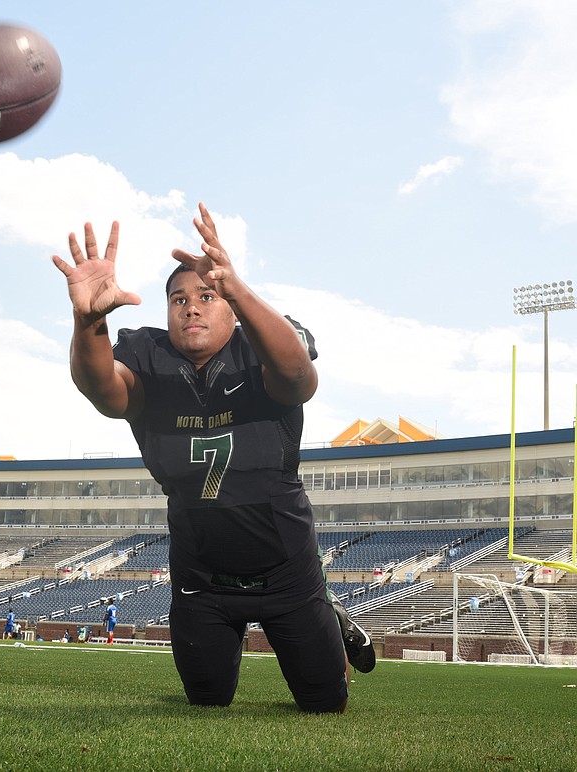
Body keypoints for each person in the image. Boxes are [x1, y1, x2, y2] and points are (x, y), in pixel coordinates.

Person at [53, 202, 374, 713]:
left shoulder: (261, 344)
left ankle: (329, 619)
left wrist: (238, 288)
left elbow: (298, 379)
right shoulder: (148, 357)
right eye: (178, 299)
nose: (192, 307)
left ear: (232, 308)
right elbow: (104, 391)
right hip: (201, 573)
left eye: (207, 295)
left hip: (285, 566)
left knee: (324, 703)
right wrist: (88, 321)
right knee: (206, 699)